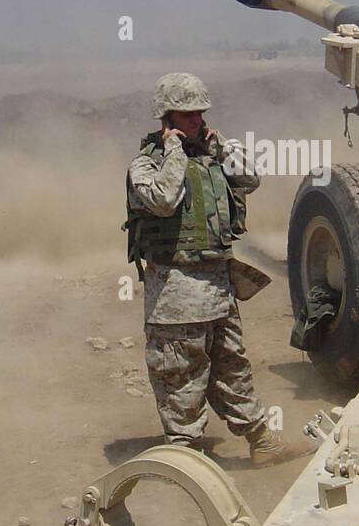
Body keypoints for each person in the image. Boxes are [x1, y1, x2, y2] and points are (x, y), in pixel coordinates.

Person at [124, 72, 313, 467]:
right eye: (186, 114)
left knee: (232, 365)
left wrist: (222, 148)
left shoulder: (213, 157)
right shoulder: (146, 165)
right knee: (180, 374)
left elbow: (250, 179)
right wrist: (174, 152)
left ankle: (261, 440)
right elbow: (163, 200)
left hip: (217, 285)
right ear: (167, 117)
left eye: (199, 113)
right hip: (175, 292)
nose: (196, 121)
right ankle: (183, 457)